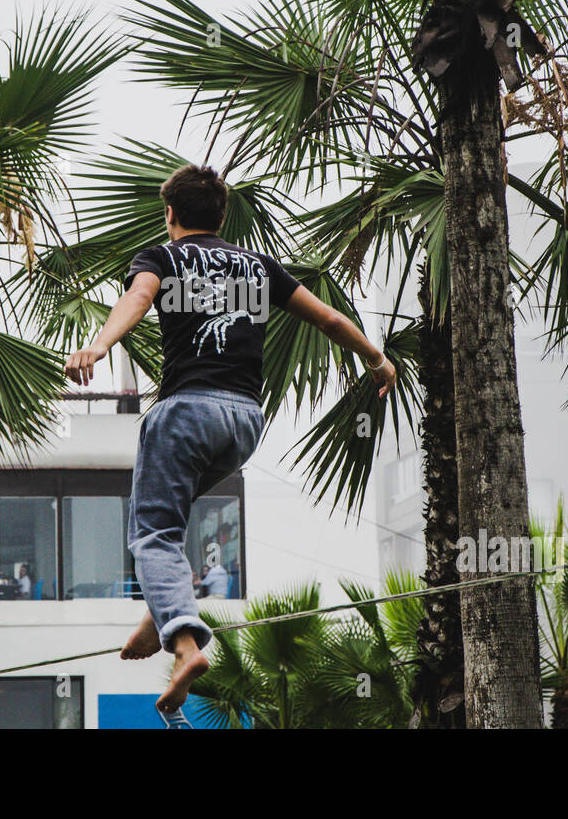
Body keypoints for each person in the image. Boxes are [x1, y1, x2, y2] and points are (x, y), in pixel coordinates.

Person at [64, 164, 396, 715]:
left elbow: (139, 298)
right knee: (174, 510)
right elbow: (331, 319)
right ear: (223, 216)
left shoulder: (162, 257)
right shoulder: (259, 266)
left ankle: (186, 647)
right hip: (243, 423)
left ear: (170, 214)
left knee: (152, 532)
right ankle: (158, 612)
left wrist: (98, 346)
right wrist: (376, 359)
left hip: (185, 412)